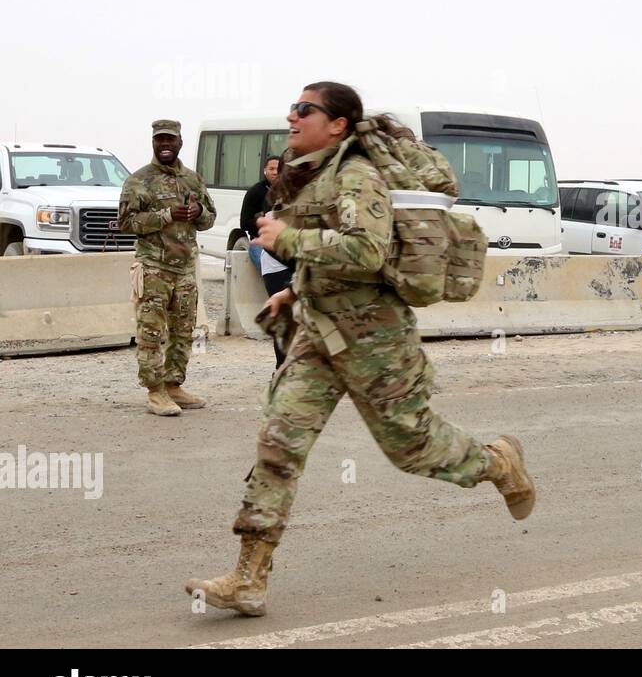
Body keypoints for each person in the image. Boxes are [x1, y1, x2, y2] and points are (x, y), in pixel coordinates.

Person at [185, 82, 535, 617]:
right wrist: (292, 291)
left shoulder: (356, 175)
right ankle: (249, 578)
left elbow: (366, 251)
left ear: (338, 124)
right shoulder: (319, 176)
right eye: (293, 107)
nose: (292, 116)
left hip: (377, 343)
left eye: (306, 109)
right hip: (318, 337)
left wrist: (286, 240)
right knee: (277, 448)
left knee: (412, 449)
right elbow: (332, 257)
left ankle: (497, 463)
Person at [117, 119, 216, 416]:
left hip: (185, 268)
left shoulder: (193, 179)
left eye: (170, 140)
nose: (164, 145)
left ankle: (174, 385)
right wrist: (166, 214)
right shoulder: (138, 181)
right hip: (153, 267)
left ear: (179, 143)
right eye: (159, 140)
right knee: (151, 331)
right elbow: (126, 223)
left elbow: (210, 217)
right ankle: (155, 391)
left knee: (184, 331)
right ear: (153, 143)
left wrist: (198, 212)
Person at [242, 156, 281, 273]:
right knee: (270, 272)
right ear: (265, 171)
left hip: (283, 243)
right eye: (271, 169)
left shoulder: (290, 190)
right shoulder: (255, 191)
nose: (275, 172)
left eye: (278, 169)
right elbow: (244, 223)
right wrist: (264, 221)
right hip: (259, 243)